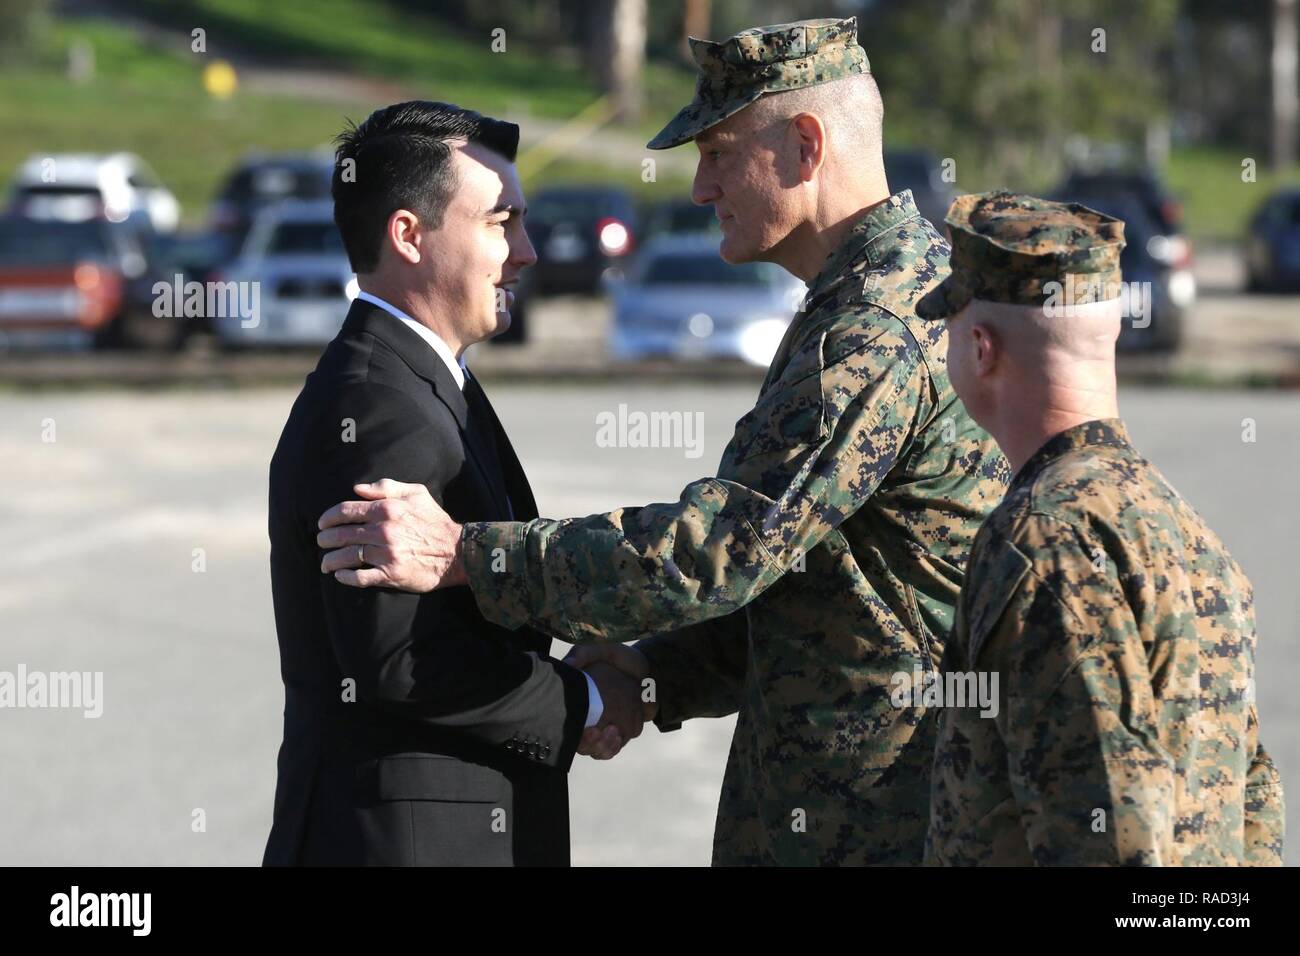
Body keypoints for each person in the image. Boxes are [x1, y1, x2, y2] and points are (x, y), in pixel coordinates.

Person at [315, 19, 1009, 865]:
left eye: (717, 151)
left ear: (804, 145)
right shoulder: (881, 299)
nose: (699, 187)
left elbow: (720, 550)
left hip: (881, 827)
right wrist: (653, 678)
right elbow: (819, 590)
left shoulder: (872, 333)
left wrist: (470, 555)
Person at [262, 101, 646, 867]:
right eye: (503, 222)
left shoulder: (423, 383)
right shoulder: (375, 406)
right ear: (409, 235)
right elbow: (402, 658)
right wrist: (587, 703)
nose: (529, 251)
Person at [918, 190, 1286, 865]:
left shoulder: (1046, 540)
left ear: (980, 346)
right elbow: (1252, 800)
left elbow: (1107, 840)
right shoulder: (1179, 521)